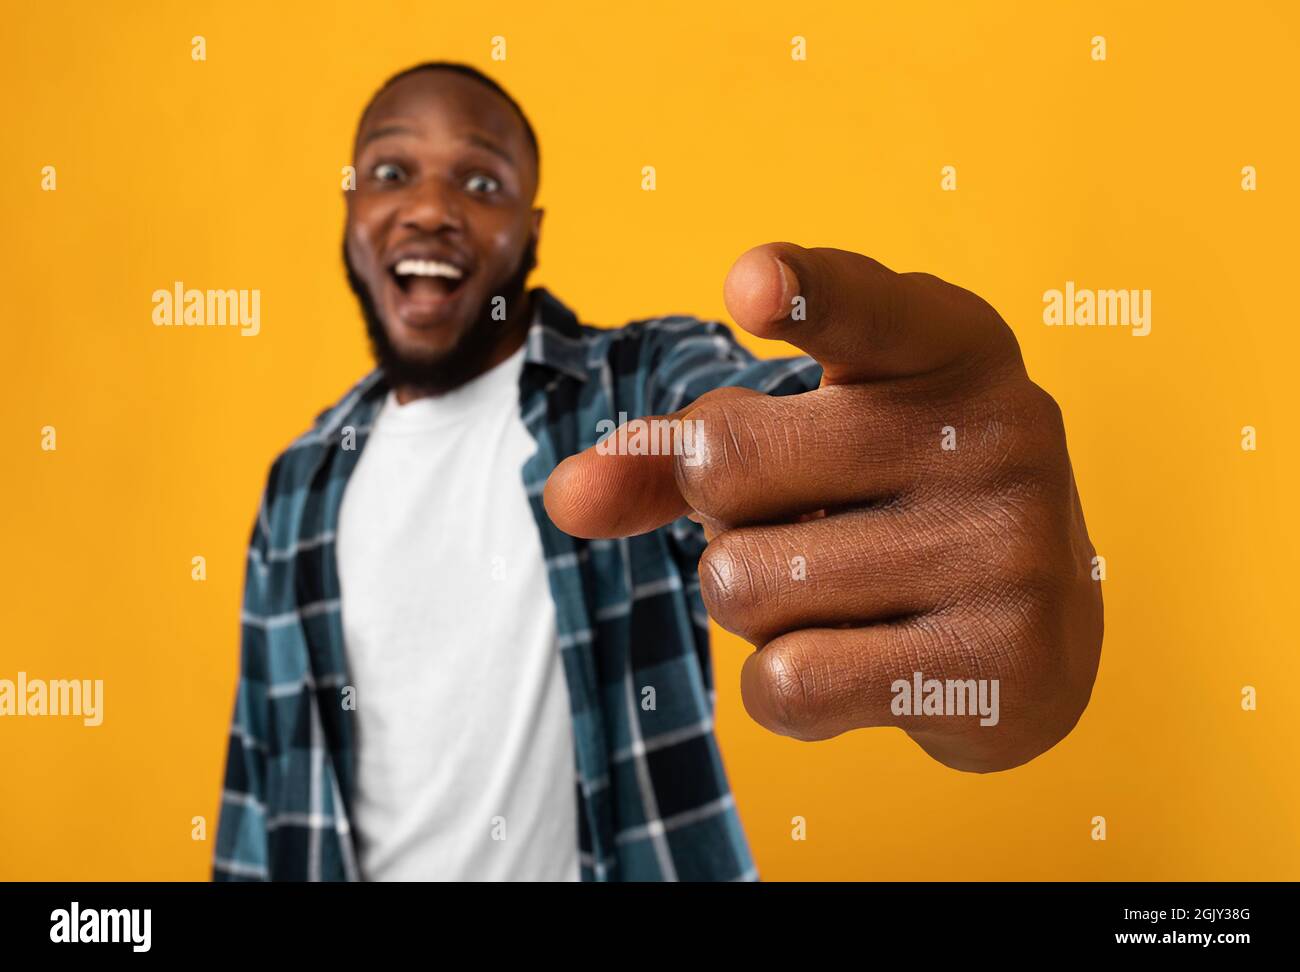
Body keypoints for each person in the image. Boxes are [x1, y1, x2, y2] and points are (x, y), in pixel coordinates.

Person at [213, 61, 1103, 882]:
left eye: (482, 182)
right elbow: (259, 787)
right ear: (350, 207)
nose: (431, 208)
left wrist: (916, 462)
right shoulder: (300, 482)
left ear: (532, 230)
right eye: (391, 172)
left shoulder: (636, 384)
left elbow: (752, 418)